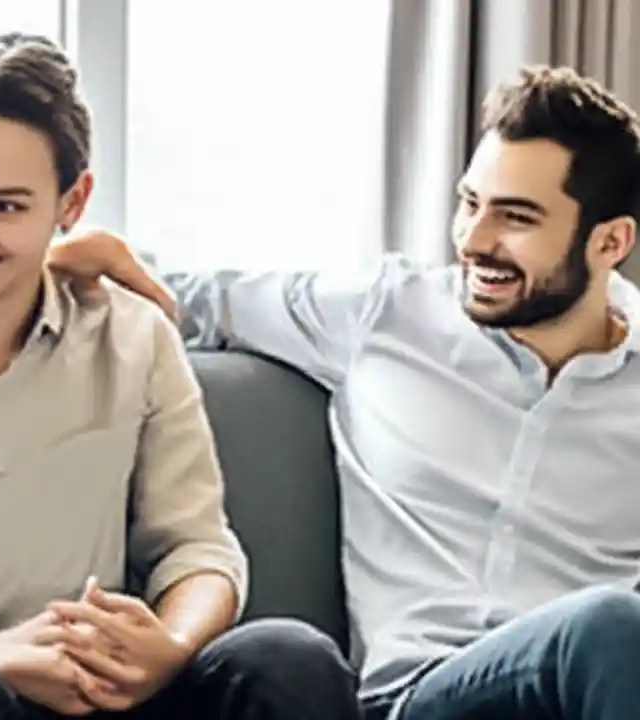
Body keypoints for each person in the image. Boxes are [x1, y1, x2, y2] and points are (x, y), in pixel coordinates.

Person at [0, 33, 360, 720]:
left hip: (113, 686)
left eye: (4, 206)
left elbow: (196, 545)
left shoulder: (133, 335)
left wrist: (168, 646)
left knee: (290, 658)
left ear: (71, 202)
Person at [50, 65, 640, 720]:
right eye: (470, 203)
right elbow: (187, 302)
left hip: (594, 697)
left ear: (610, 242)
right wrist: (82, 255)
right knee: (604, 626)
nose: (474, 240)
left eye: (516, 218)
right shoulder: (384, 315)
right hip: (417, 698)